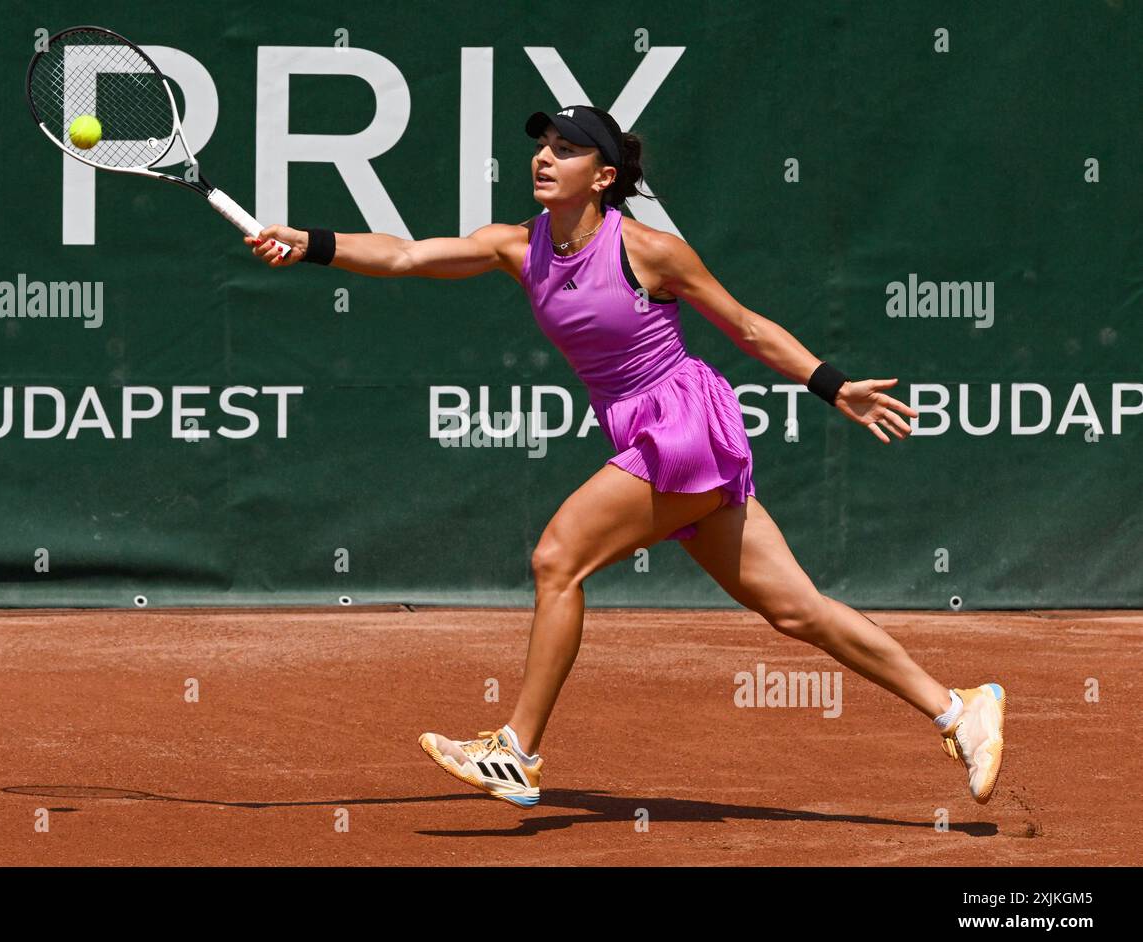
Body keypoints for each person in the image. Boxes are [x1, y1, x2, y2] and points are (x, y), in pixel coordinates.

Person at [245, 105, 1006, 811]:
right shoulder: (517, 245)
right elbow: (406, 255)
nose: (545, 157)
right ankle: (956, 708)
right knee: (795, 609)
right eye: (542, 145)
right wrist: (309, 243)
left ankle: (517, 750)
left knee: (558, 557)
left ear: (604, 176)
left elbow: (745, 326)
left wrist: (832, 385)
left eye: (567, 149)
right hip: (652, 434)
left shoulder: (650, 251)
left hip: (679, 425)